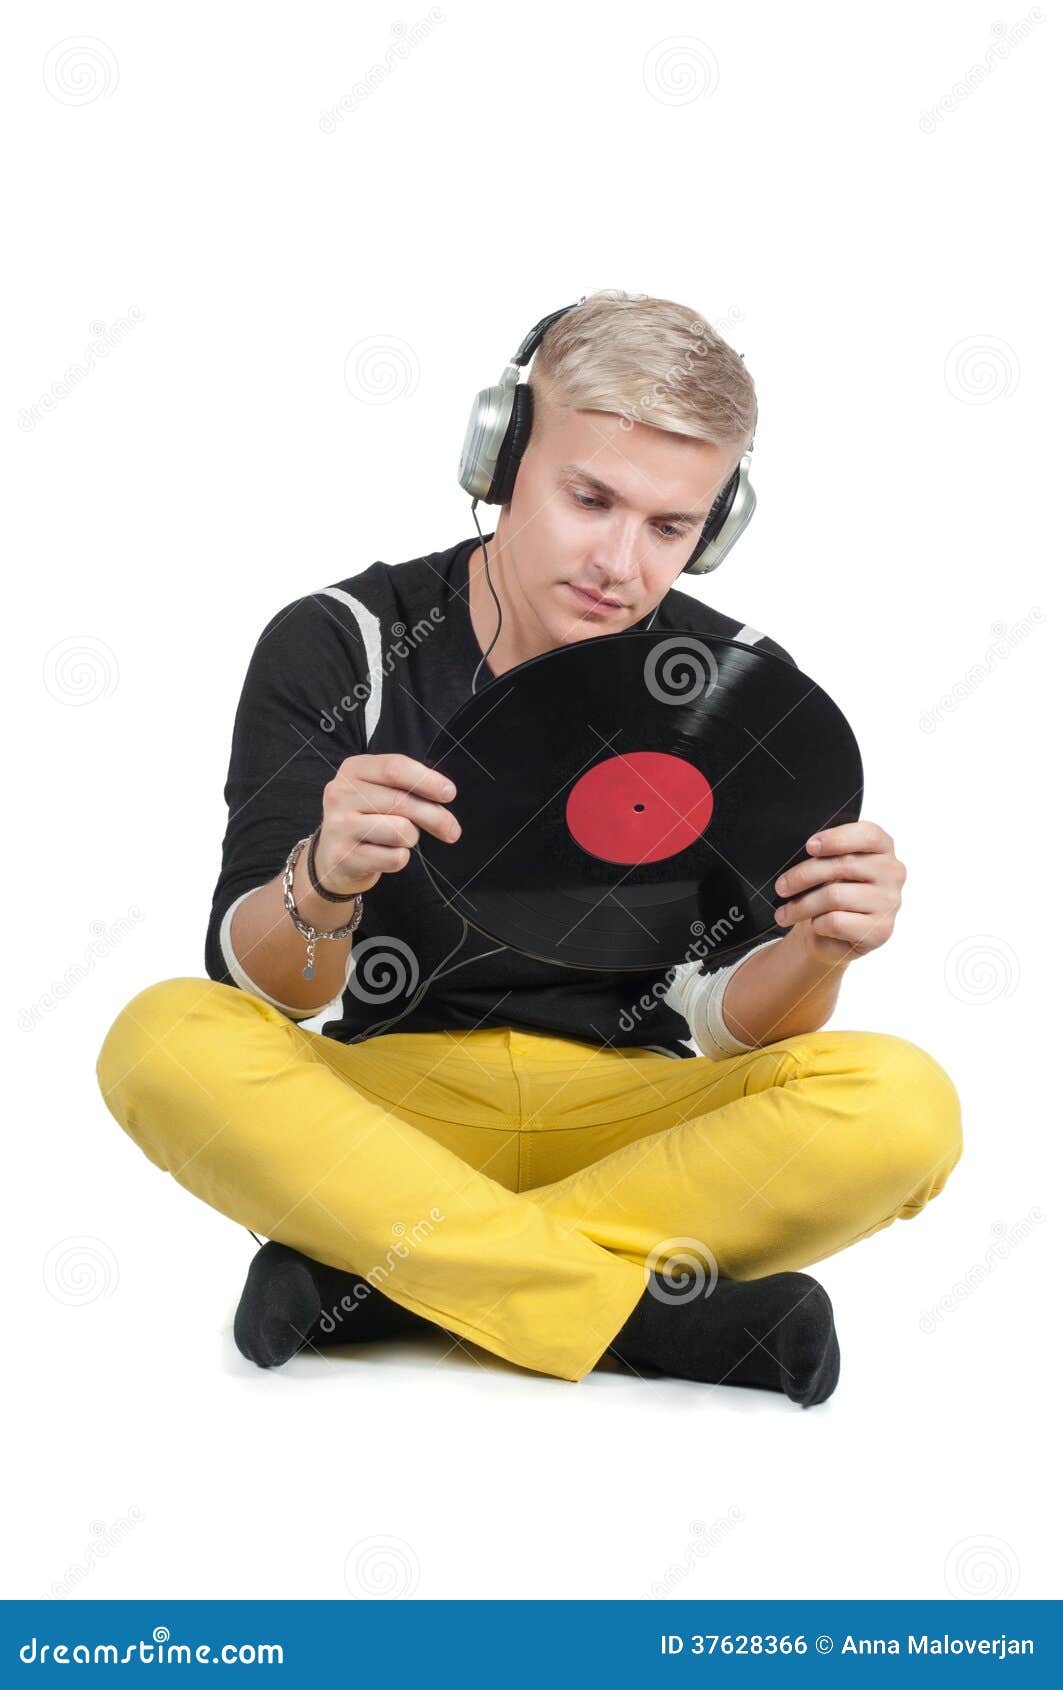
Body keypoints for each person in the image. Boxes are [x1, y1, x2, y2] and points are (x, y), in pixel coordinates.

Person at [95, 292, 962, 1408]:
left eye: (669, 527)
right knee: (163, 1037)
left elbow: (731, 1025)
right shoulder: (341, 641)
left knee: (905, 1104)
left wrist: (819, 949)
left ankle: (394, 1284)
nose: (619, 560)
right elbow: (268, 991)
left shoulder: (734, 682)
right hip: (382, 1109)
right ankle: (648, 1319)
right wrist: (323, 878)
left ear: (717, 524)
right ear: (502, 458)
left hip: (633, 1123)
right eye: (589, 497)